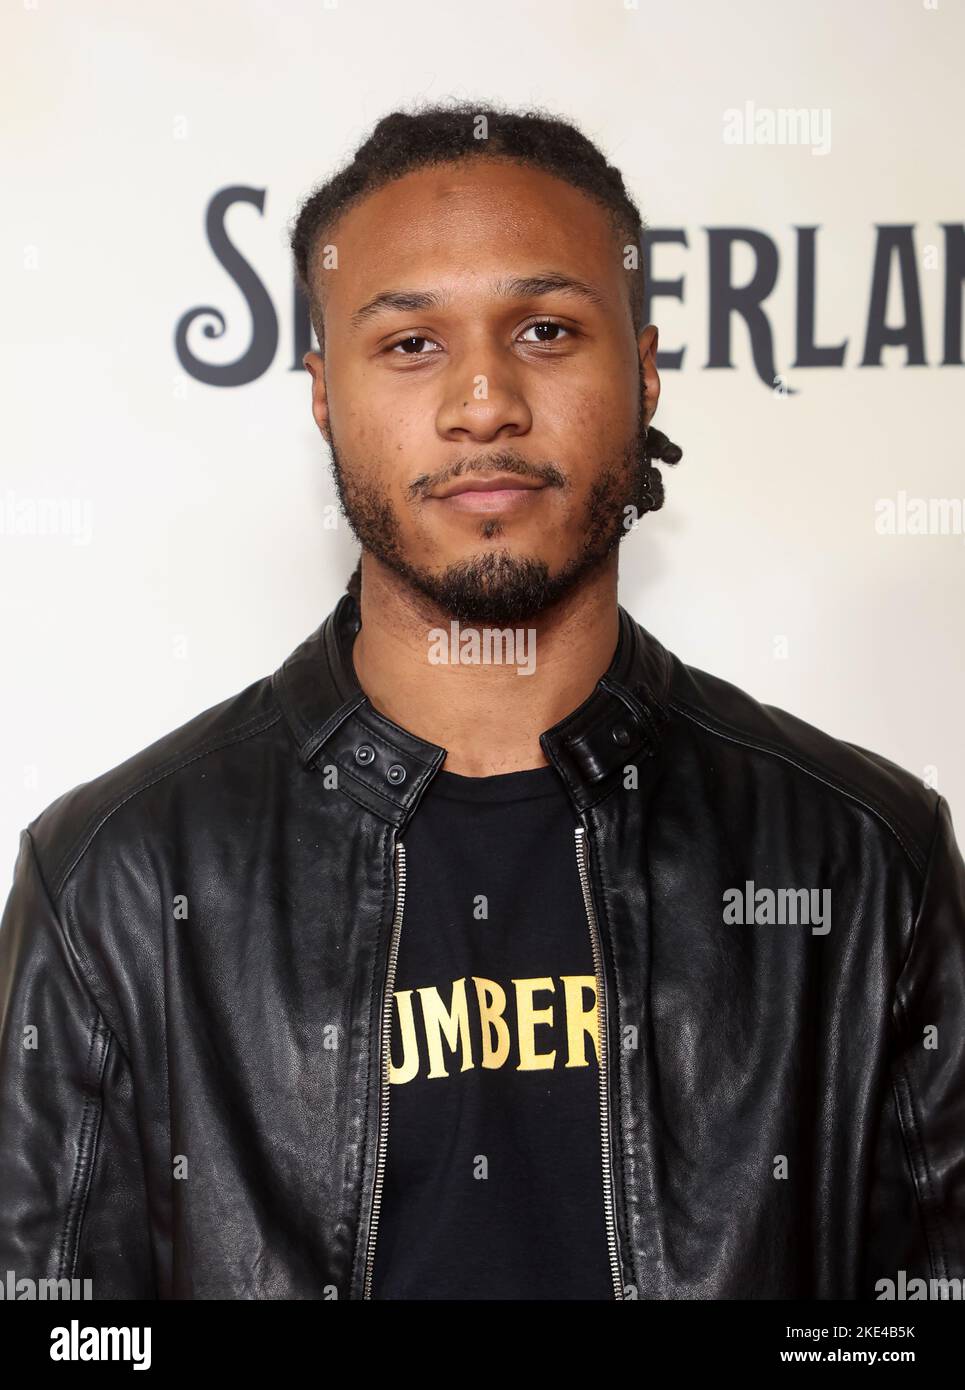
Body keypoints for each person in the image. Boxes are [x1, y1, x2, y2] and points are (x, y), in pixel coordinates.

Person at [1, 101, 962, 1301]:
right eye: (409, 345)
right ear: (321, 397)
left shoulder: (863, 859)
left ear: (647, 372)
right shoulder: (117, 879)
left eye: (547, 330)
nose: (482, 402)